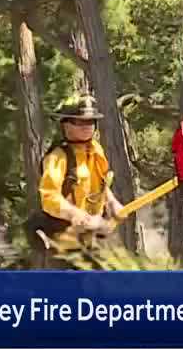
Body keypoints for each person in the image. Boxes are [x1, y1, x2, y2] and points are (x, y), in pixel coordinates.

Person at [29, 95, 123, 269]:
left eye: (91, 122)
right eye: (81, 122)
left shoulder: (95, 150)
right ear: (65, 124)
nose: (87, 127)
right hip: (65, 241)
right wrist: (78, 216)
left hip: (94, 238)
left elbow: (101, 183)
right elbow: (49, 198)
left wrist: (112, 203)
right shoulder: (58, 157)